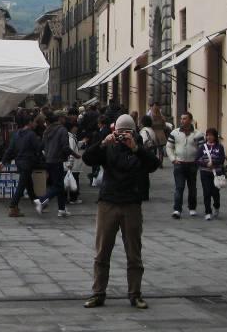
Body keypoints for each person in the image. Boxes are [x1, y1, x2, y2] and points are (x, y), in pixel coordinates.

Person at [81, 114, 159, 310]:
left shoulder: (139, 146)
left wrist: (135, 147)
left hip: (132, 203)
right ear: (114, 130)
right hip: (108, 202)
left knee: (134, 253)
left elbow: (153, 165)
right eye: (119, 131)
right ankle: (98, 293)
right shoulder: (109, 145)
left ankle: (135, 294)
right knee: (102, 252)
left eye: (127, 131)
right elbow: (87, 158)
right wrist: (102, 143)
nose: (123, 135)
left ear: (133, 131)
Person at [2, 115, 41, 217]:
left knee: (29, 184)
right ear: (29, 122)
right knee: (22, 185)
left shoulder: (16, 134)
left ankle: (38, 202)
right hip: (27, 162)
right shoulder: (31, 135)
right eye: (34, 122)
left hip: (19, 162)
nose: (36, 124)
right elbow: (38, 148)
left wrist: (3, 161)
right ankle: (13, 207)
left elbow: (10, 149)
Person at [36, 115, 74, 217]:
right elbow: (65, 147)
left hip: (48, 160)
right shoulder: (62, 130)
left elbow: (41, 146)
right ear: (59, 119)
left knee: (59, 185)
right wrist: (74, 154)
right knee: (58, 186)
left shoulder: (47, 131)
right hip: (57, 160)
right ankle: (41, 200)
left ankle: (61, 209)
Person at [166, 111, 201, 218]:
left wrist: (198, 160)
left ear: (190, 120)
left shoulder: (198, 134)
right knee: (179, 187)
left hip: (192, 164)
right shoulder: (175, 133)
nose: (182, 120)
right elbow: (169, 147)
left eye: (185, 118)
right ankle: (177, 209)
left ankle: (192, 208)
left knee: (192, 187)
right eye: (181, 119)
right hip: (179, 164)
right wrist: (172, 159)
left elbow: (202, 149)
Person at [196, 128, 226, 221]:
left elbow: (222, 159)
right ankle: (207, 212)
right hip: (205, 172)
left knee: (215, 192)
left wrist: (213, 163)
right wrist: (206, 164)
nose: (209, 137)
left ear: (215, 136)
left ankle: (216, 206)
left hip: (216, 173)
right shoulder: (202, 147)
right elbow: (197, 159)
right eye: (207, 135)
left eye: (211, 135)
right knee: (206, 192)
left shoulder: (219, 147)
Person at [67, 120, 85, 204]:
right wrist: (70, 163)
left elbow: (75, 146)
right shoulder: (70, 138)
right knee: (74, 180)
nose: (77, 129)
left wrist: (82, 142)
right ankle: (73, 198)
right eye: (75, 127)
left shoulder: (72, 137)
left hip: (74, 164)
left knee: (74, 179)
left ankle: (73, 197)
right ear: (72, 128)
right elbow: (71, 150)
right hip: (73, 164)